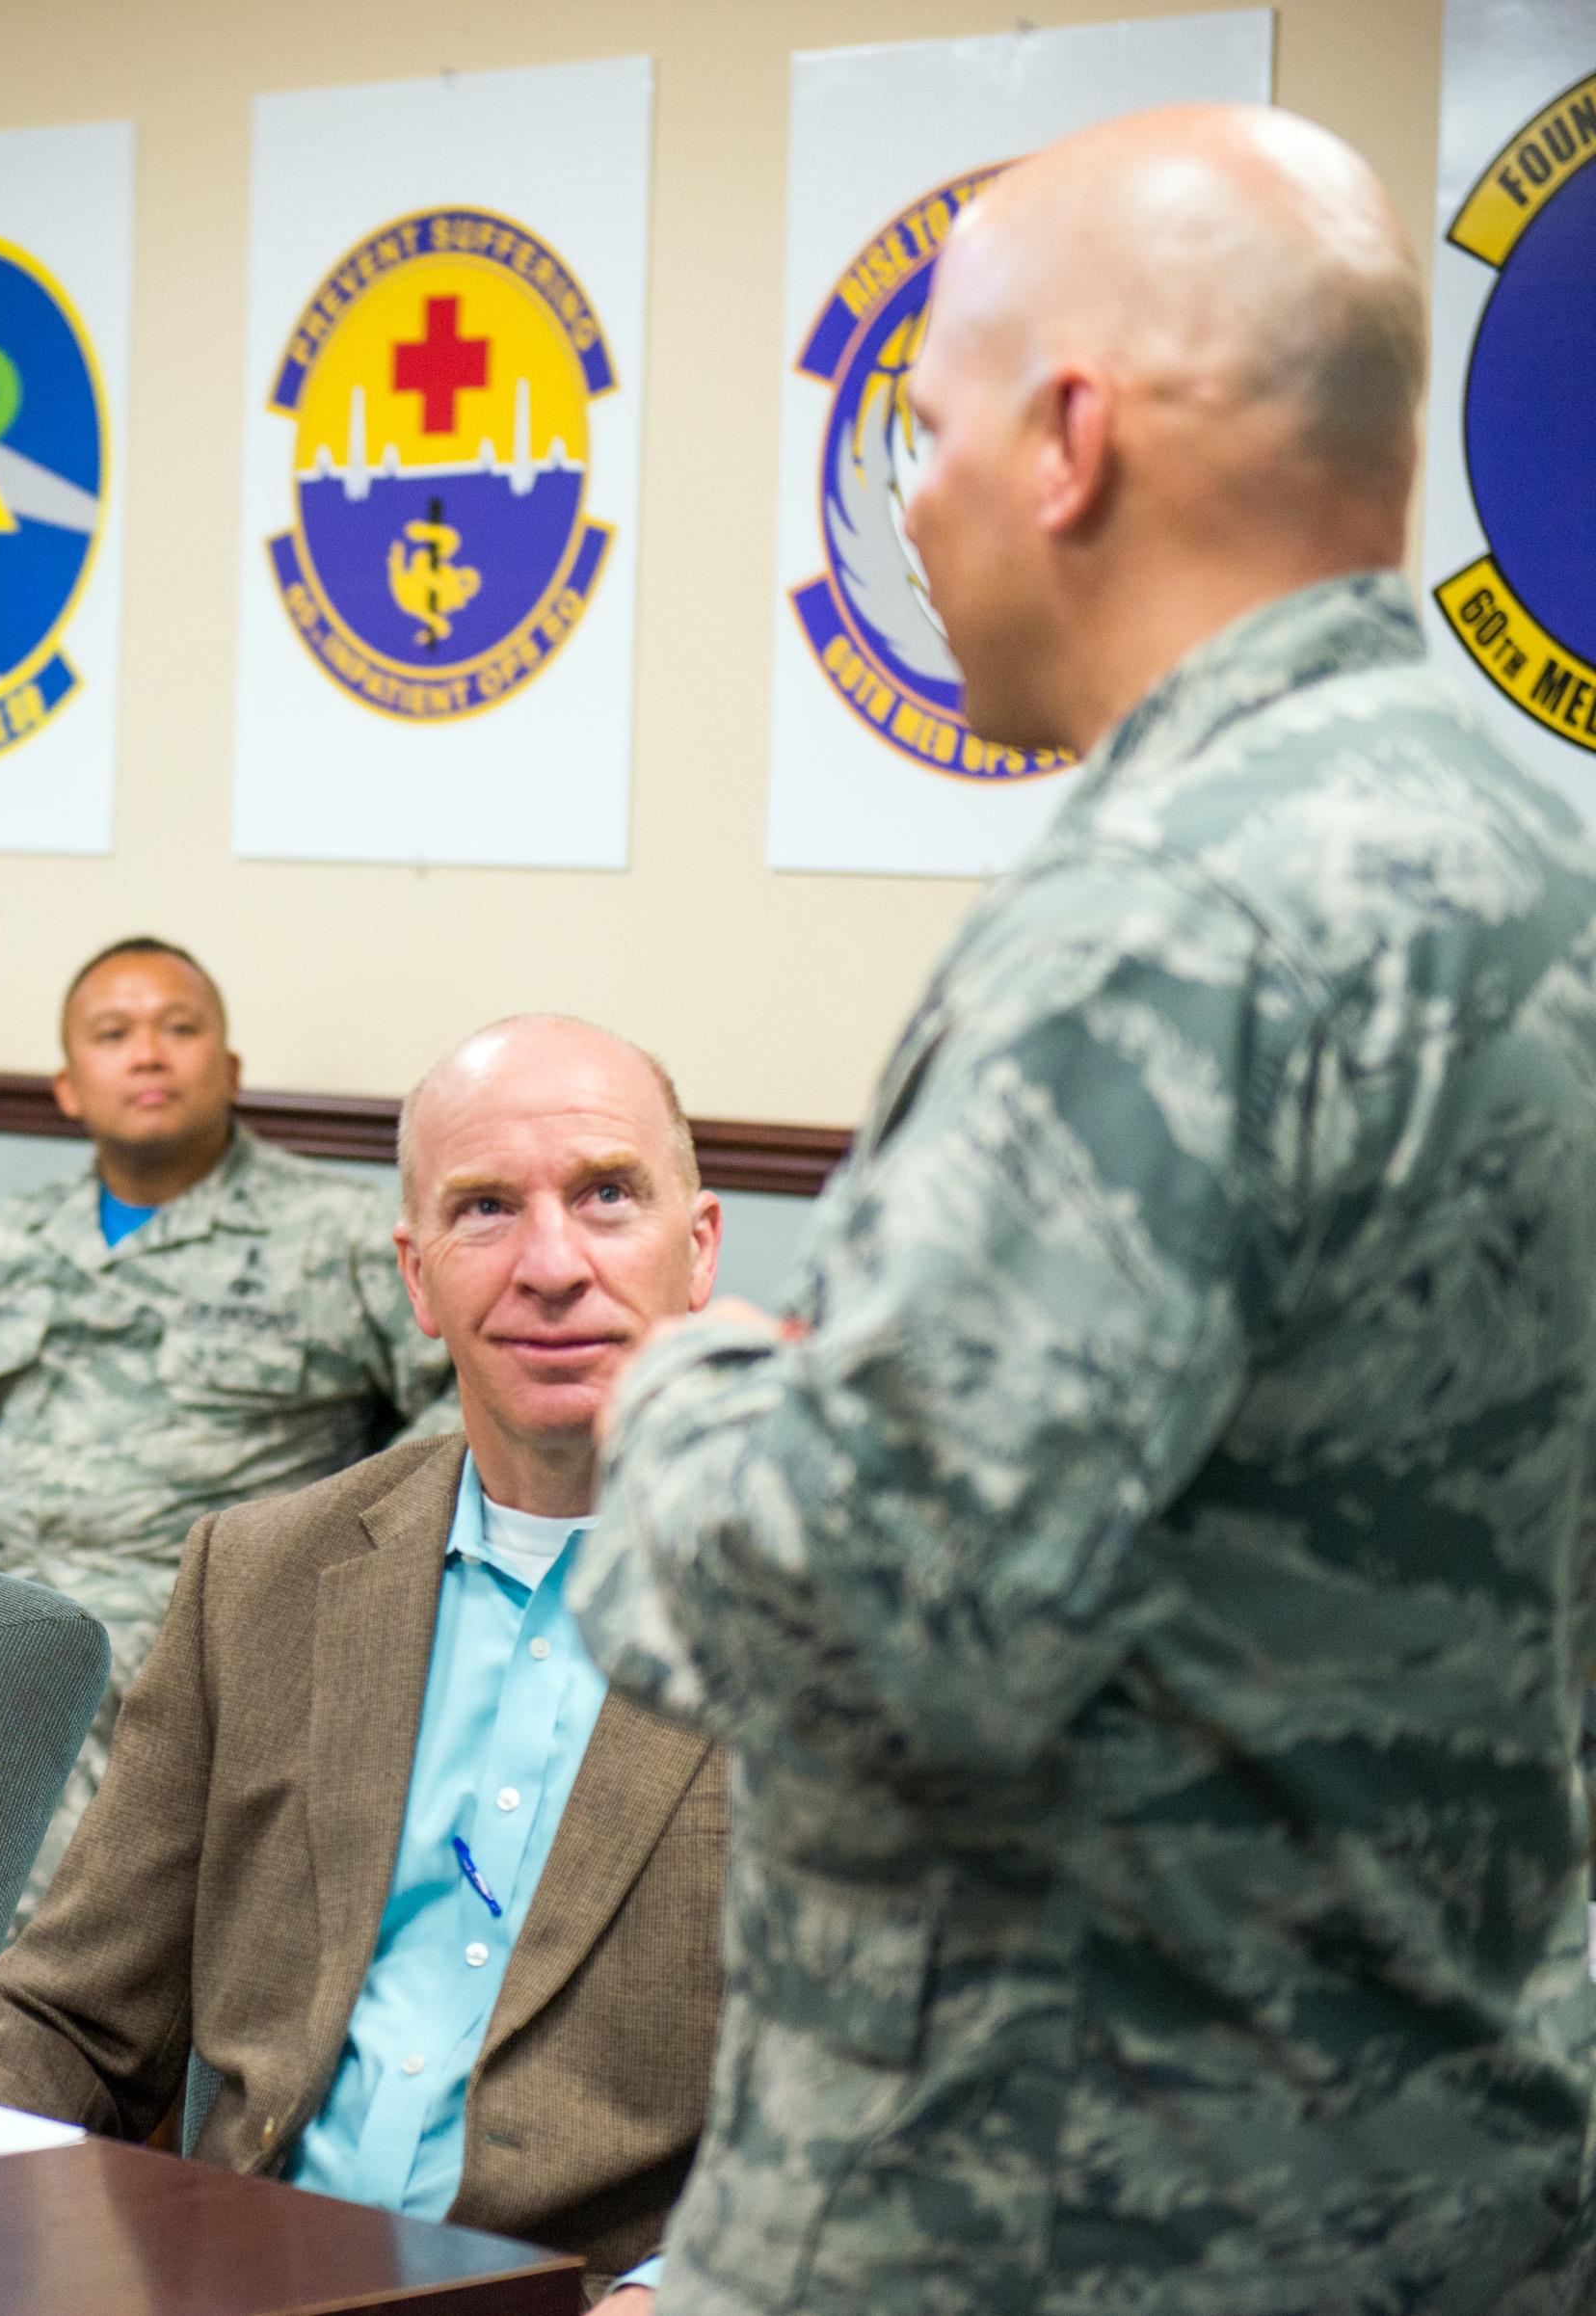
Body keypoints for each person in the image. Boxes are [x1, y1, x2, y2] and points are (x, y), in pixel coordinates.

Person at [573, 106, 1596, 2314]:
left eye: (919, 433)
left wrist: (681, 1402)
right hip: (1438, 2189)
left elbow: (884, 1629)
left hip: (1058, 2218)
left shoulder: (1169, 918)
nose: (905, 501)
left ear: (1064, 442)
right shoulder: (1532, 873)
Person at [0, 1017, 729, 2306]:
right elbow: (73, 2011)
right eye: (484, 1209)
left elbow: (929, 2095)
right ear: (416, 1275)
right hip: (251, 2272)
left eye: (607, 1195)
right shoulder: (261, 1577)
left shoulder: (864, 1605)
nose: (552, 1262)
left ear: (700, 1248)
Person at [0, 936, 454, 1901]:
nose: (149, 1053)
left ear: (232, 1069)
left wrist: (345, 1570)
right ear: (68, 1087)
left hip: (203, 1647)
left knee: (31, 1910)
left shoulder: (332, 1234)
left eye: (179, 1028)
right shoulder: (14, 1240)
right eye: (114, 1033)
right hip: (0, 1623)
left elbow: (465, 1400)